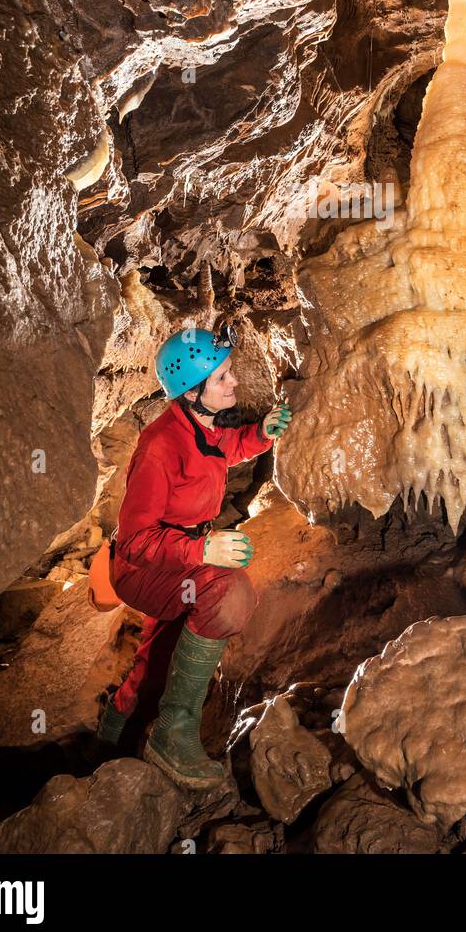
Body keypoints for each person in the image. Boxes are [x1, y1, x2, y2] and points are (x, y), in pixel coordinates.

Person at [96, 323, 292, 789]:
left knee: (158, 658)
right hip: (143, 567)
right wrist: (202, 548)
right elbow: (136, 539)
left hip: (177, 560)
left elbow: (224, 449)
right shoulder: (161, 446)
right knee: (227, 592)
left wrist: (262, 433)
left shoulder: (198, 425)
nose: (234, 382)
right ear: (192, 391)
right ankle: (173, 732)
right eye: (223, 377)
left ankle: (107, 740)